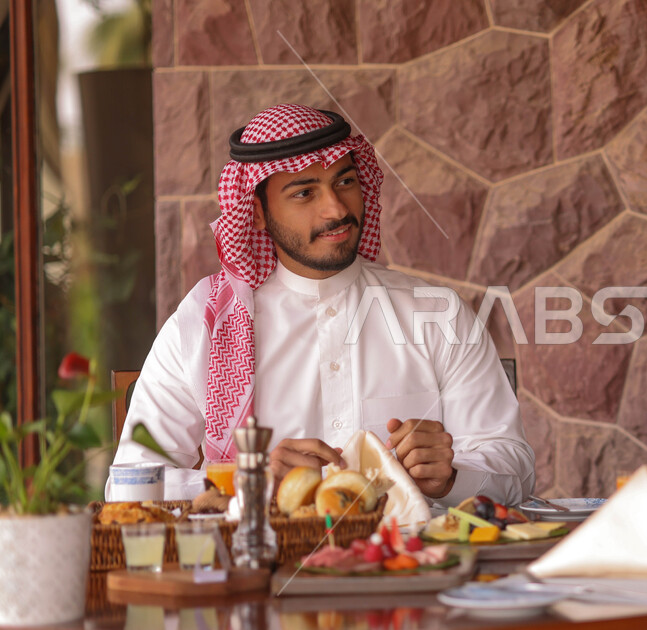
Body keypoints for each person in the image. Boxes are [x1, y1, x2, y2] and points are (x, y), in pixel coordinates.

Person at [109, 104, 535, 506]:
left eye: (345, 182)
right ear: (255, 212)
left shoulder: (435, 313)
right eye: (304, 192)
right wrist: (252, 483)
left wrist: (452, 477)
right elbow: (129, 483)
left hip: (409, 568)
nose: (335, 208)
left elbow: (513, 466)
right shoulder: (207, 324)